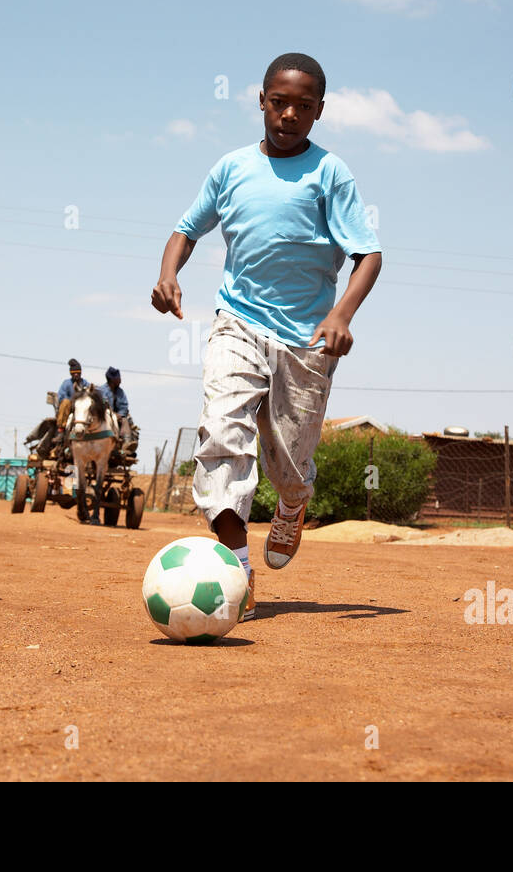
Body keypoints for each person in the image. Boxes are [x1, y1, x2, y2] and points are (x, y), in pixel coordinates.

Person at [152, 52, 382, 622]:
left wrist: (342, 315)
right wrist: (168, 274)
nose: (288, 115)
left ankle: (293, 501)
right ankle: (237, 570)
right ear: (260, 100)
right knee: (223, 436)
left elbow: (368, 254)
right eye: (279, 102)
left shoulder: (330, 173)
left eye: (303, 106)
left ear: (319, 112)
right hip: (237, 321)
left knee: (287, 461)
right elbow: (186, 229)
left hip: (307, 339)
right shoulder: (230, 168)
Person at [98, 367, 137, 459]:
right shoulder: (102, 391)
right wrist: (112, 414)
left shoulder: (120, 392)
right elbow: (102, 406)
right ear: (112, 380)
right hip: (105, 416)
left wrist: (121, 414)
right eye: (118, 378)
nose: (120, 380)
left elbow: (124, 406)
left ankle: (127, 444)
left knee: (125, 420)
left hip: (118, 417)